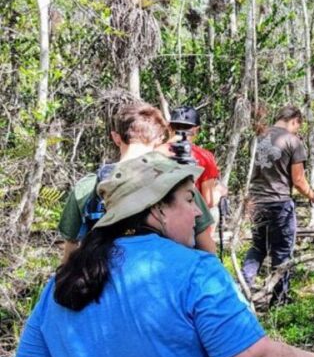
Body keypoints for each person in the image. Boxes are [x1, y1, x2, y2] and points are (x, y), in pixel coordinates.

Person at [14, 155, 314, 357]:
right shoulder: (195, 270)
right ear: (156, 209)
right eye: (189, 200)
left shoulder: (65, 279)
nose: (197, 214)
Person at [58, 102, 216, 262]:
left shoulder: (87, 187)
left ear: (115, 137)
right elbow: (207, 249)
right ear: (160, 139)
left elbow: (70, 253)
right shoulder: (177, 182)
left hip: (99, 278)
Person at [244, 105, 314, 302]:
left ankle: (243, 286)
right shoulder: (293, 142)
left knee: (258, 246)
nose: (297, 130)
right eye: (298, 126)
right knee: (282, 250)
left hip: (256, 201)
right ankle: (279, 299)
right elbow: (298, 180)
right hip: (279, 202)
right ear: (294, 120)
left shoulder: (259, 137)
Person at [163, 106, 221, 210]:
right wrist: (220, 191)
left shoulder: (154, 152)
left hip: (157, 215)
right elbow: (208, 201)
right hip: (189, 215)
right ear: (196, 130)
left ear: (169, 127)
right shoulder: (204, 157)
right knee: (214, 211)